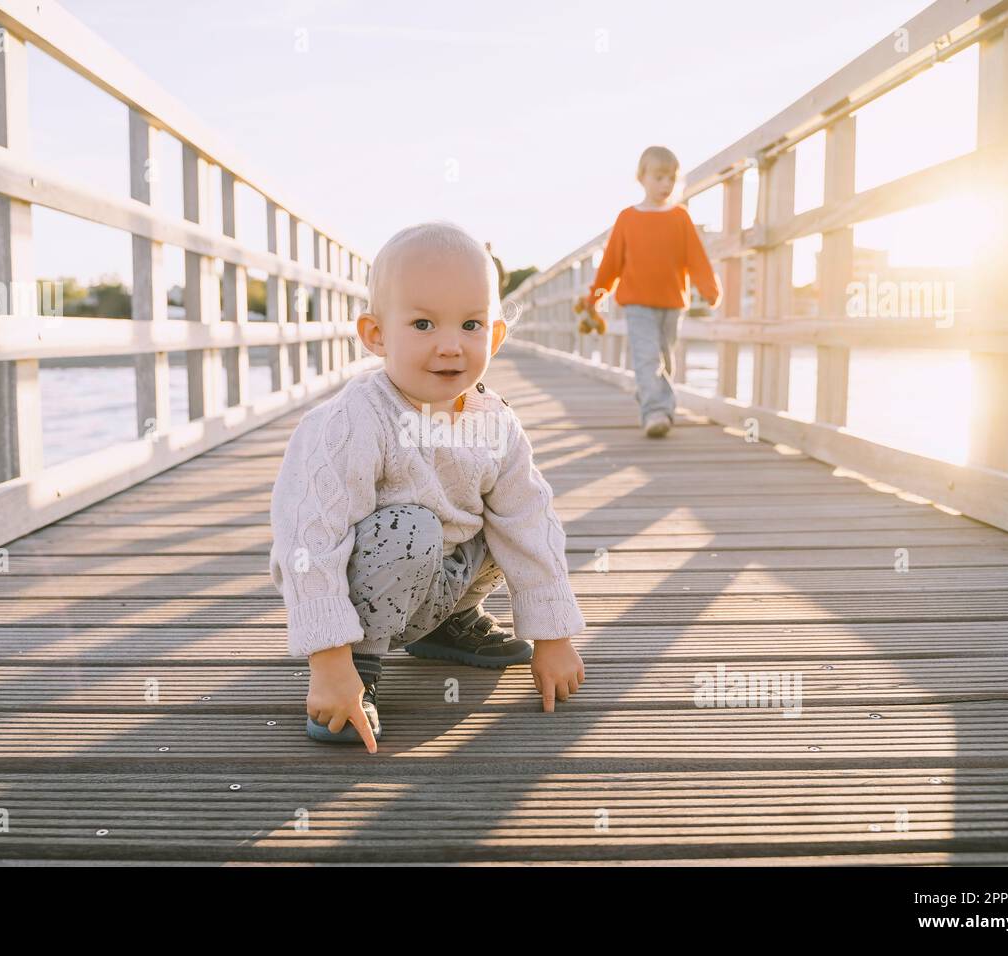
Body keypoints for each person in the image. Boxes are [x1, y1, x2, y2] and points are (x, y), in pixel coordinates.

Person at [269, 221, 587, 752]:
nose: (449, 346)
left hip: (443, 575)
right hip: (368, 583)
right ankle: (361, 663)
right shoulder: (356, 420)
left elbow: (529, 521)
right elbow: (309, 539)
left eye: (470, 324)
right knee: (412, 524)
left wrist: (553, 635)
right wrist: (329, 660)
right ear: (375, 335)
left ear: (497, 335)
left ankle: (448, 626)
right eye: (421, 324)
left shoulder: (495, 420)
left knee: (510, 515)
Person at [578, 145, 722, 437]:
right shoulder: (627, 218)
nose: (665, 185)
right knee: (647, 358)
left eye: (671, 178)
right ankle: (655, 412)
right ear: (641, 177)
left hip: (672, 304)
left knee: (665, 360)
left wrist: (709, 288)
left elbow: (696, 257)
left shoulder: (680, 217)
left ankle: (653, 400)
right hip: (637, 304)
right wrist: (595, 296)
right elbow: (611, 264)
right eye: (658, 177)